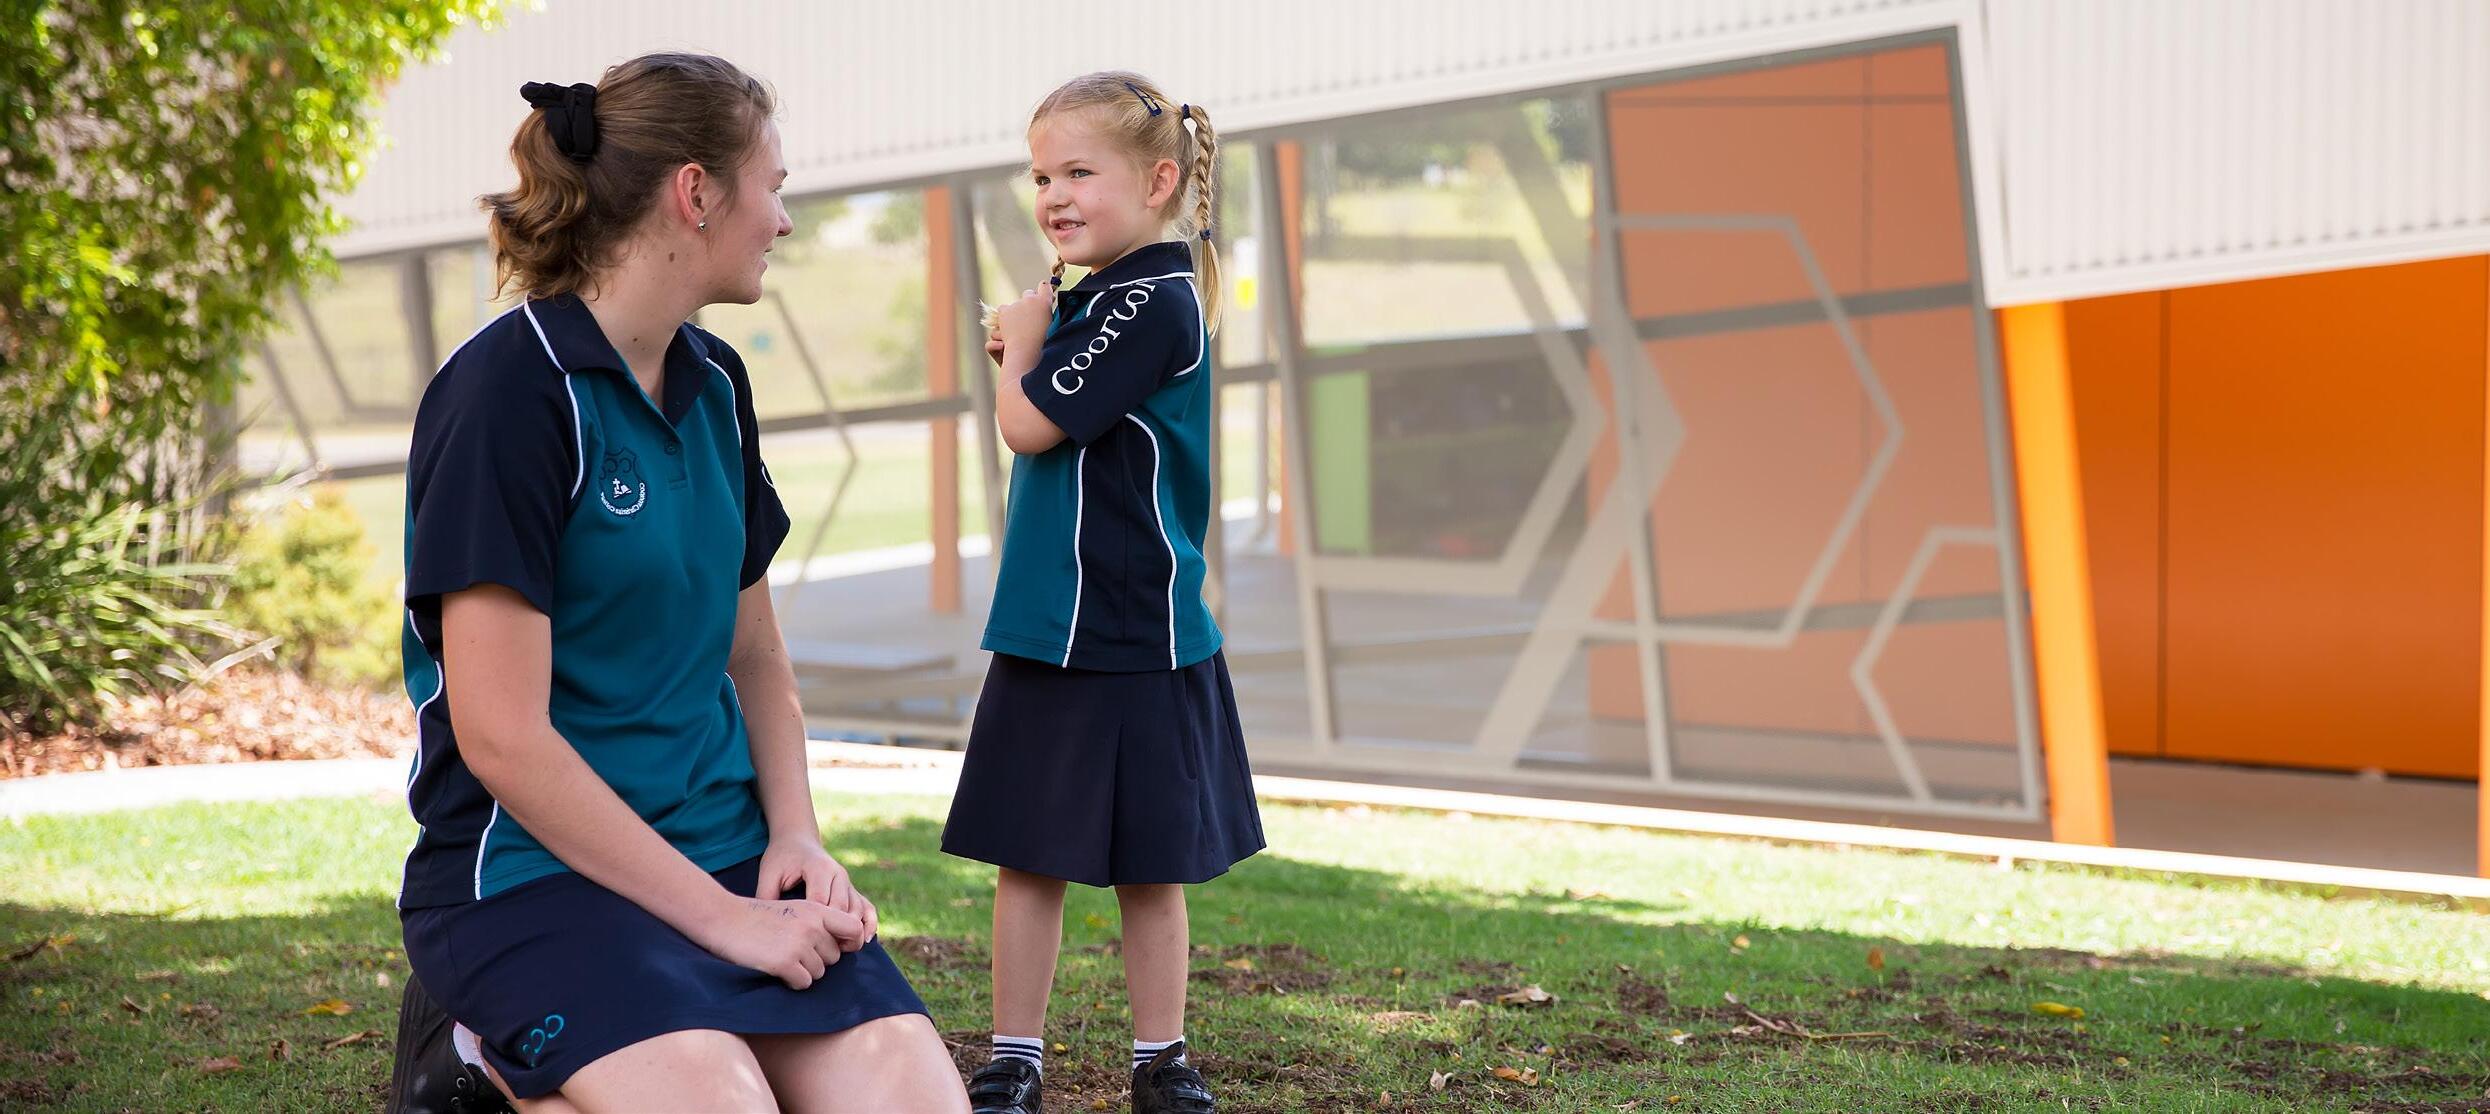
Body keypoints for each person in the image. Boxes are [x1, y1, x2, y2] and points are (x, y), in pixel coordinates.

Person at [388, 51, 967, 1114]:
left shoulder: (718, 382)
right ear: (695, 193)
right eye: (774, 186)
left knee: (915, 1097)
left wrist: (793, 836)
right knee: (720, 1099)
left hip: (726, 852)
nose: (784, 220)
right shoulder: (508, 395)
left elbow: (755, 653)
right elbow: (501, 735)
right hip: (531, 879)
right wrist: (719, 917)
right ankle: (465, 1060)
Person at [942, 70, 1263, 1114]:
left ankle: (1160, 1059)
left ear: (1160, 180)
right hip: (1049, 626)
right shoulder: (1102, 298)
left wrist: (1022, 354)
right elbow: (1047, 401)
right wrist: (1030, 346)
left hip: (1137, 626)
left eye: (1080, 170)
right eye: (1041, 175)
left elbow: (1029, 423)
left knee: (1147, 863)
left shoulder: (1156, 303)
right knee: (1027, 855)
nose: (1054, 194)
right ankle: (1014, 1059)